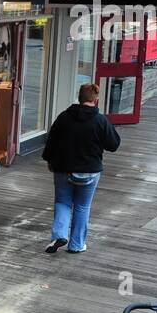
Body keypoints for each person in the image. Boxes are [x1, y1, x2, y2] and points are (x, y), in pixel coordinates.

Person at [42, 82, 120, 254]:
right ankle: (77, 244)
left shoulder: (64, 117)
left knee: (63, 202)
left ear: (79, 97)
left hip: (63, 168)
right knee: (82, 206)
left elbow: (51, 141)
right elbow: (113, 144)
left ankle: (59, 234)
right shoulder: (101, 121)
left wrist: (48, 160)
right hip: (90, 171)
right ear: (96, 100)